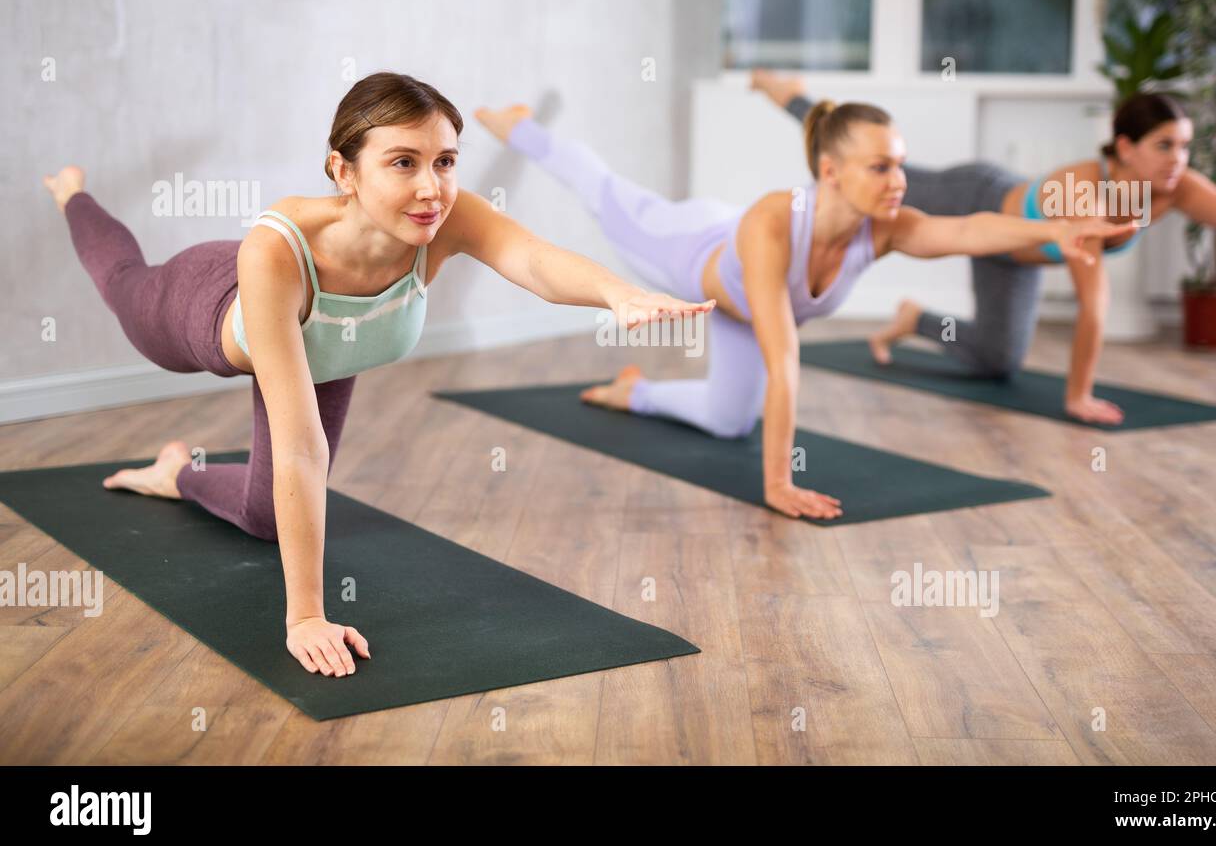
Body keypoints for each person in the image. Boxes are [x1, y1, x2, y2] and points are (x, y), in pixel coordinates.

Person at [44, 71, 714, 678]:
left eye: (445, 161)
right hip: (209, 303)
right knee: (123, 282)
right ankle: (73, 193)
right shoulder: (278, 247)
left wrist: (616, 294)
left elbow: (534, 261)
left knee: (265, 519)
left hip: (331, 348)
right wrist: (306, 615)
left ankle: (175, 473)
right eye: (403, 163)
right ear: (345, 170)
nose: (431, 187)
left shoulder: (445, 218)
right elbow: (301, 448)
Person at [475, 99, 1133, 520]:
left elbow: (969, 231)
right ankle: (518, 124)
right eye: (880, 167)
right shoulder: (772, 224)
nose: (898, 180)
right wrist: (777, 484)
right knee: (606, 194)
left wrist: (1055, 233)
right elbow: (783, 356)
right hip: (685, 248)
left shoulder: (888, 226)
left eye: (900, 165)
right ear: (831, 171)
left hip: (737, 308)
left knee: (730, 423)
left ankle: (636, 391)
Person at [753, 70, 1216, 424]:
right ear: (1127, 148)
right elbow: (1094, 302)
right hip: (976, 196)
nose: (1177, 158)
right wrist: (1076, 396)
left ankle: (912, 318)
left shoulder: (1176, 189)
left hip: (1012, 257)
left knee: (998, 363)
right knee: (865, 163)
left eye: (1184, 146)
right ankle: (783, 90)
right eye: (1164, 146)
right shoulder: (1089, 190)